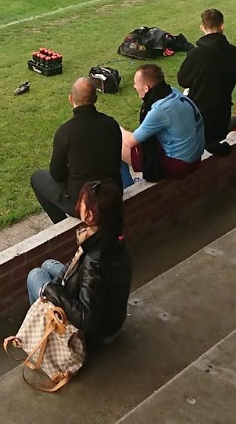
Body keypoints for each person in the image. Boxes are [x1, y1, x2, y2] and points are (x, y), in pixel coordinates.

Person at [26, 180, 132, 348]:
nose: (78, 204)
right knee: (48, 265)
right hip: (112, 318)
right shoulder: (111, 235)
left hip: (97, 336)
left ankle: (43, 336)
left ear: (89, 215)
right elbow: (76, 266)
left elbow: (86, 319)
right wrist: (56, 286)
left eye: (82, 202)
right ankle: (44, 318)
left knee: (35, 276)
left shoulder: (95, 260)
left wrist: (51, 291)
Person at [30, 77, 124, 224]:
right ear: (96, 99)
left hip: (84, 202)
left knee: (37, 178)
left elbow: (57, 174)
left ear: (70, 99)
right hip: (113, 193)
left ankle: (61, 225)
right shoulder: (111, 124)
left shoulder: (66, 132)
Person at [122, 64, 205, 181]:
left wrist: (117, 128)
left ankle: (128, 188)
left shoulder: (160, 109)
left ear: (146, 88)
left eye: (135, 83)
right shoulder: (173, 92)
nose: (134, 86)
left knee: (116, 144)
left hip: (181, 165)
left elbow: (131, 141)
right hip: (196, 157)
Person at [177, 8, 236, 157]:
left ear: (202, 27)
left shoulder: (197, 54)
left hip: (201, 114)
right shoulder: (232, 51)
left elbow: (183, 80)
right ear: (222, 25)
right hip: (223, 111)